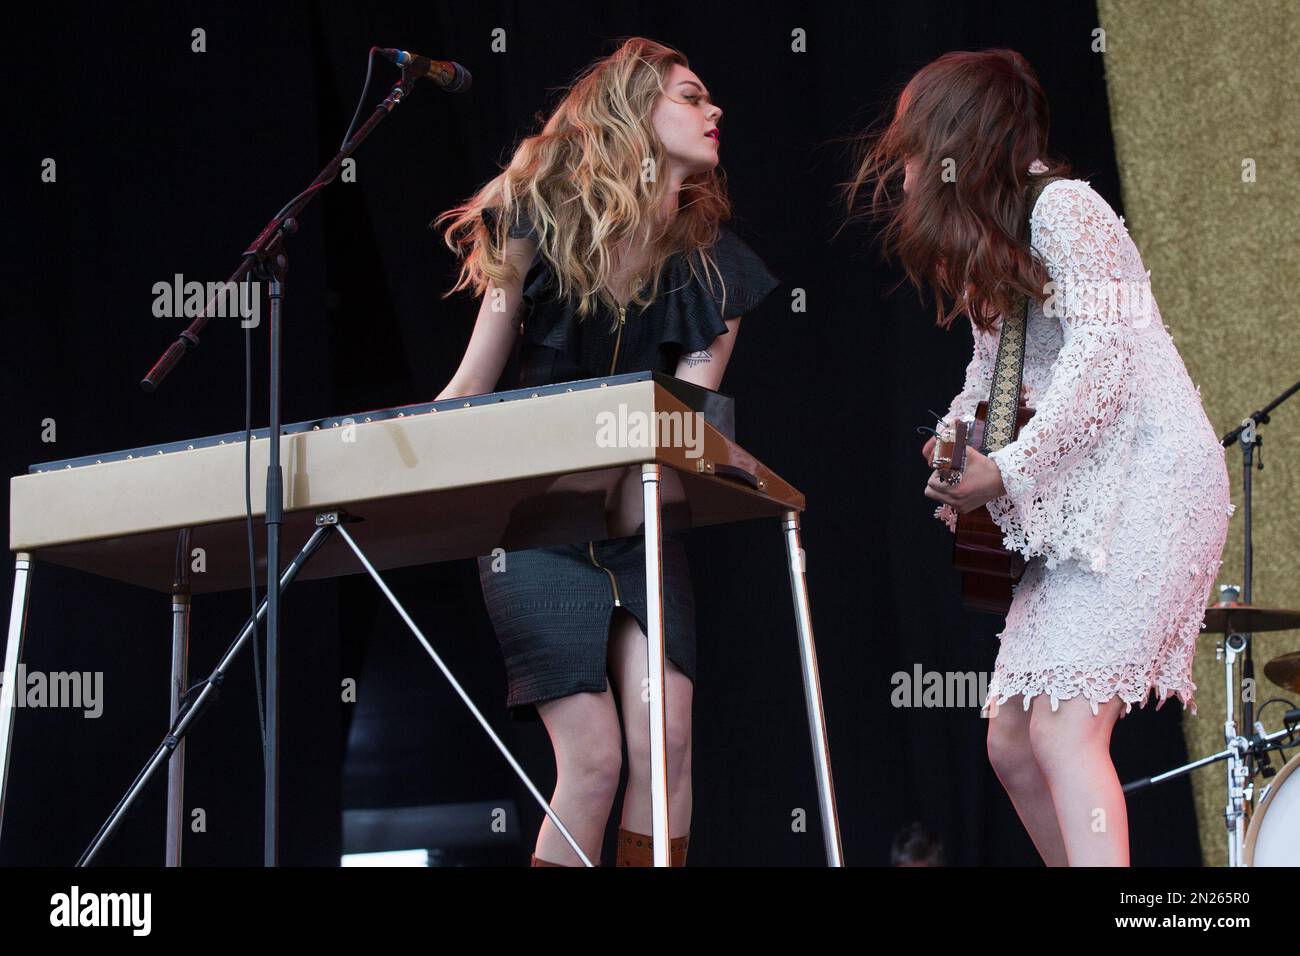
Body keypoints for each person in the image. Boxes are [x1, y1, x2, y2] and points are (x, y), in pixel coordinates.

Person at [846, 49, 1231, 866]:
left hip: (1149, 487)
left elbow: (1103, 354)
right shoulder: (1001, 243)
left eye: (913, 145)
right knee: (1013, 745)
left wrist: (1010, 471)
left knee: (1060, 729)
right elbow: (992, 376)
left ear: (956, 138)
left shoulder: (1068, 210)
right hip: (1088, 497)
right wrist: (958, 439)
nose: (903, 167)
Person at [433, 37, 778, 866]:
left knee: (668, 748)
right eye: (692, 96)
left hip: (641, 522)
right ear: (633, 107)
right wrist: (388, 466)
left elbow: (686, 430)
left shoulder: (717, 269)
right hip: (535, 525)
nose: (714, 110)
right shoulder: (533, 221)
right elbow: (469, 386)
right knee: (591, 759)